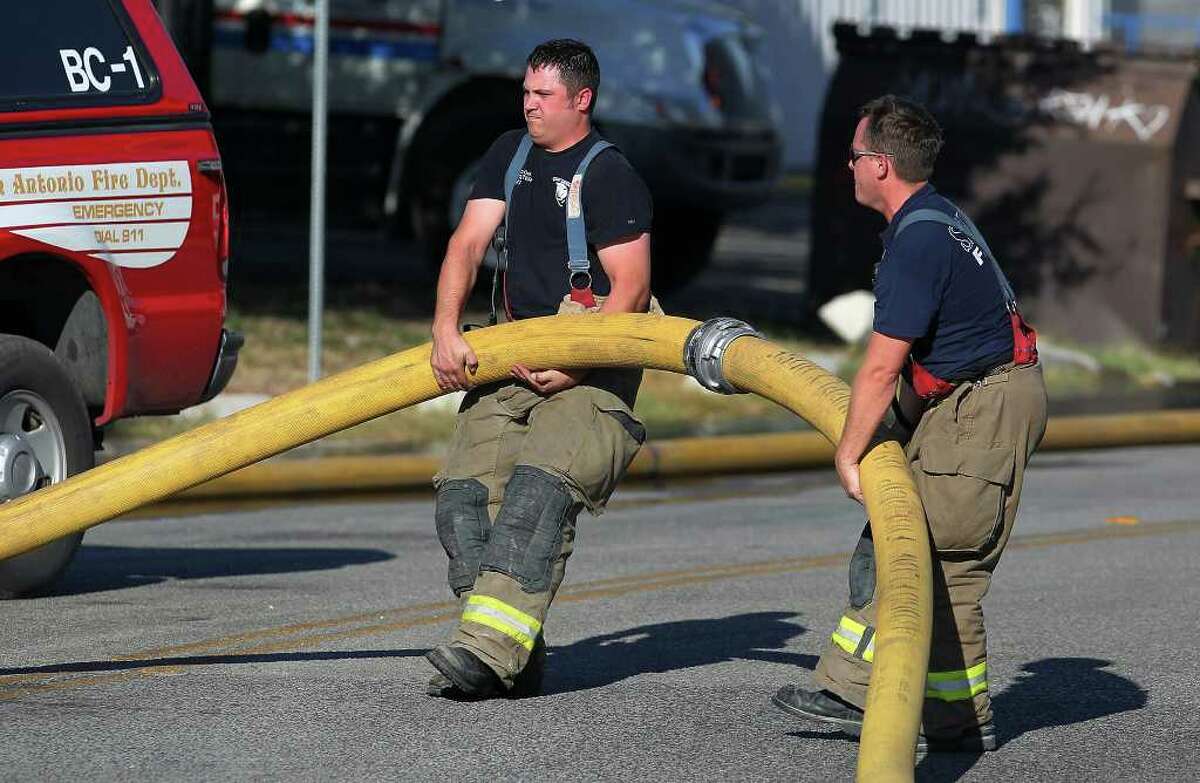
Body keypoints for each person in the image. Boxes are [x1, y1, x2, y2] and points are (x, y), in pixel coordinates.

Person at [771, 95, 1048, 751]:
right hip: (969, 396)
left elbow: (877, 368)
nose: (849, 167)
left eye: (856, 156)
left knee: (935, 555)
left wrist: (849, 450)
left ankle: (856, 694)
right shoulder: (934, 220)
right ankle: (950, 718)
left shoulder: (917, 240)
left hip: (983, 405)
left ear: (883, 166)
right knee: (910, 544)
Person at [423, 39, 654, 699]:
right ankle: (512, 649)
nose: (529, 105)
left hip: (595, 361)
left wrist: (576, 366)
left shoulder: (610, 174)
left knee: (537, 497)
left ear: (582, 100)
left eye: (543, 95)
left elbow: (631, 290)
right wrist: (445, 329)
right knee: (461, 504)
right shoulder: (509, 154)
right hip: (512, 347)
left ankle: (489, 650)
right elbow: (467, 244)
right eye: (525, 92)